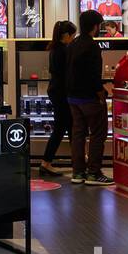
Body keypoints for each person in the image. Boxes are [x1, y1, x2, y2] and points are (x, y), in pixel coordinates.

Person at [66, 9, 113, 186]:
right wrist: (101, 94)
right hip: (89, 98)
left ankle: (78, 172)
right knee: (97, 134)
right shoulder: (92, 46)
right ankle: (94, 173)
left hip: (72, 98)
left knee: (78, 135)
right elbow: (94, 76)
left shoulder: (73, 44)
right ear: (95, 26)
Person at [41, 19, 76, 177]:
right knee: (63, 128)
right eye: (73, 36)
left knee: (68, 126)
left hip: (56, 91)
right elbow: (68, 74)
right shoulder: (64, 50)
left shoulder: (55, 48)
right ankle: (46, 163)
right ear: (66, 35)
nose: (74, 39)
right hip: (62, 94)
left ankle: (78, 160)